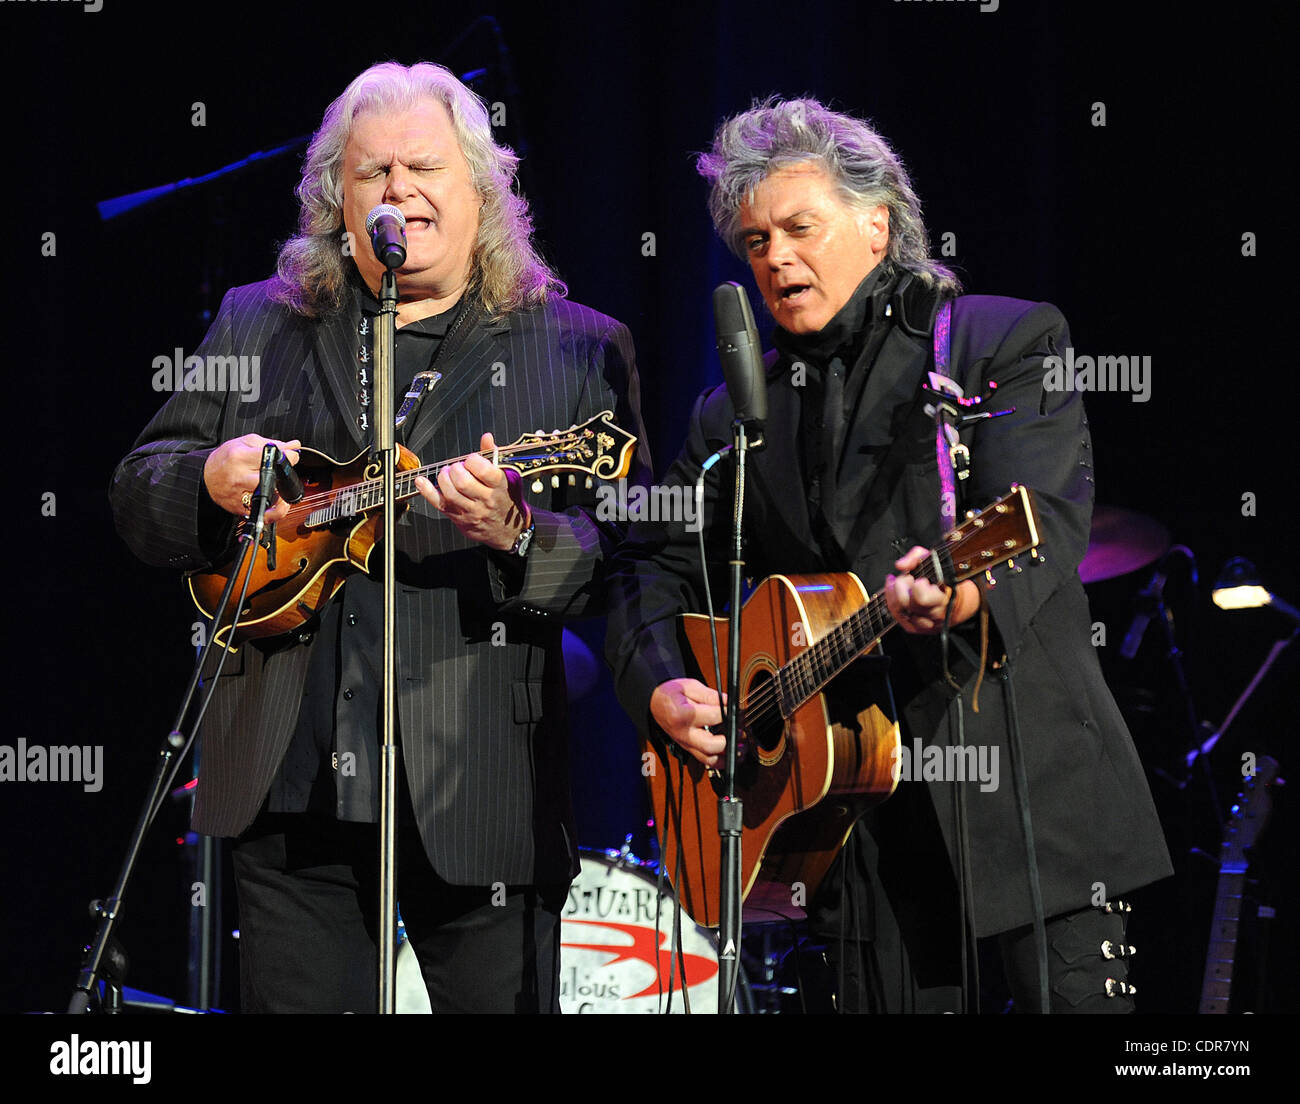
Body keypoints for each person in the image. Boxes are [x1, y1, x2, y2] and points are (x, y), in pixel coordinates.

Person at [605, 98, 1171, 1013]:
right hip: (852, 833)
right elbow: (647, 563)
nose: (775, 258)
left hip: (1026, 807)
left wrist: (958, 599)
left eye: (799, 228)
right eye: (754, 242)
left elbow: (1043, 525)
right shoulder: (734, 412)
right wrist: (664, 684)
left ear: (877, 225)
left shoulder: (1001, 341)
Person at [111, 61, 649, 1013]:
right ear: (337, 200)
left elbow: (625, 564)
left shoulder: (573, 345)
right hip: (287, 781)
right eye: (371, 174)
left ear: (481, 190)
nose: (397, 190)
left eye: (423, 168)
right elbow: (135, 493)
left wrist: (516, 529)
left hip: (480, 791)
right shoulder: (259, 321)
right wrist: (204, 479)